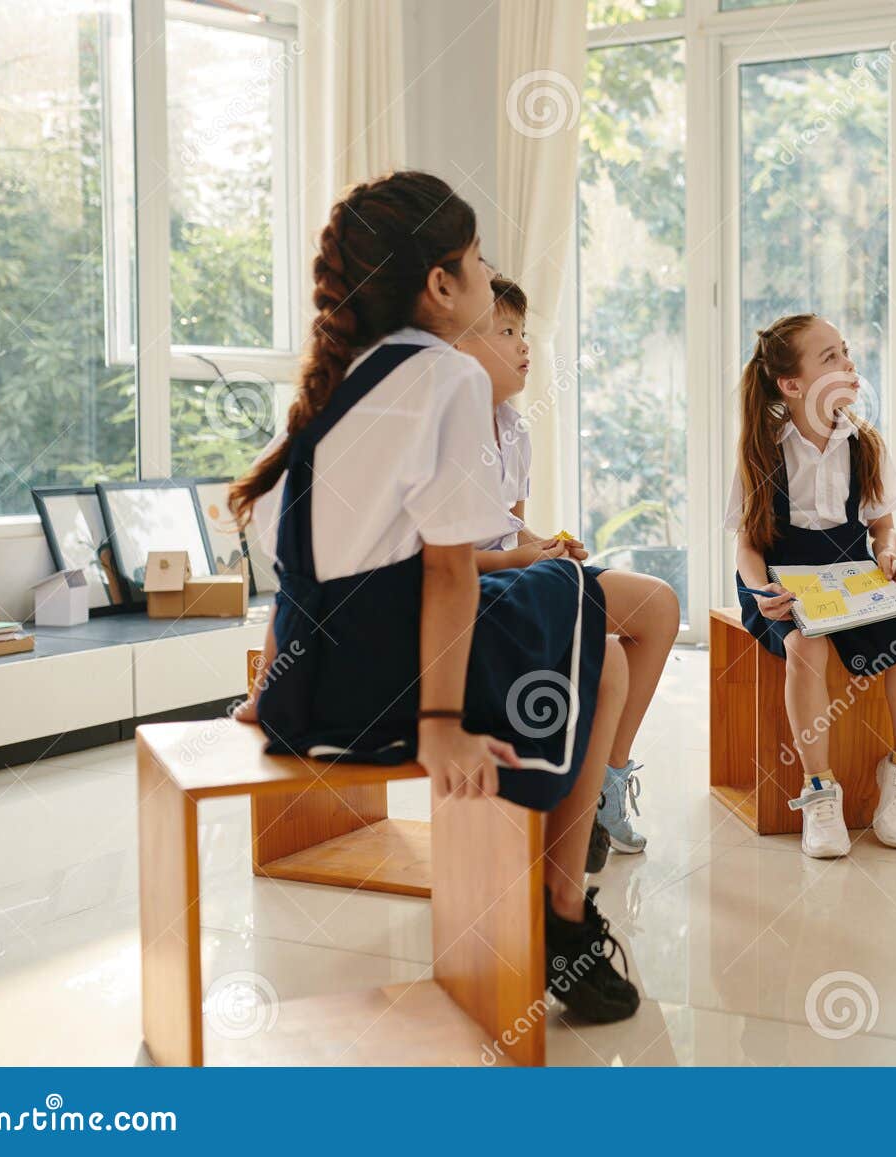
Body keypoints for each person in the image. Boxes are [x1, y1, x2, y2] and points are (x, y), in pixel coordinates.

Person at [228, 172, 639, 1022]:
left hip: (307, 693)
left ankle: (562, 895)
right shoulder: (448, 377)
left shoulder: (335, 377)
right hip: (386, 691)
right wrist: (443, 727)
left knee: (580, 628)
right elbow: (450, 573)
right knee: (577, 602)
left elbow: (296, 565)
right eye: (478, 259)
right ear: (442, 285)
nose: (490, 274)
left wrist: (271, 685)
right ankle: (563, 913)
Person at [455, 275, 679, 862]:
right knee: (605, 649)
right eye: (506, 332)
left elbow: (509, 526)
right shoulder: (443, 432)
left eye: (523, 332)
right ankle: (568, 792)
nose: (524, 345)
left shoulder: (514, 428)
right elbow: (439, 559)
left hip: (521, 572)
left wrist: (546, 544)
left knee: (658, 605)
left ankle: (607, 778)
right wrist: (523, 556)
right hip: (477, 586)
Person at [727, 313, 896, 859]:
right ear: (792, 385)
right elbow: (748, 546)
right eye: (831, 357)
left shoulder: (865, 445)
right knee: (807, 645)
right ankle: (819, 790)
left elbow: (882, 527)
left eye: (845, 351)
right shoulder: (761, 450)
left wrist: (887, 554)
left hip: (851, 575)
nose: (849, 363)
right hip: (782, 580)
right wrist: (760, 592)